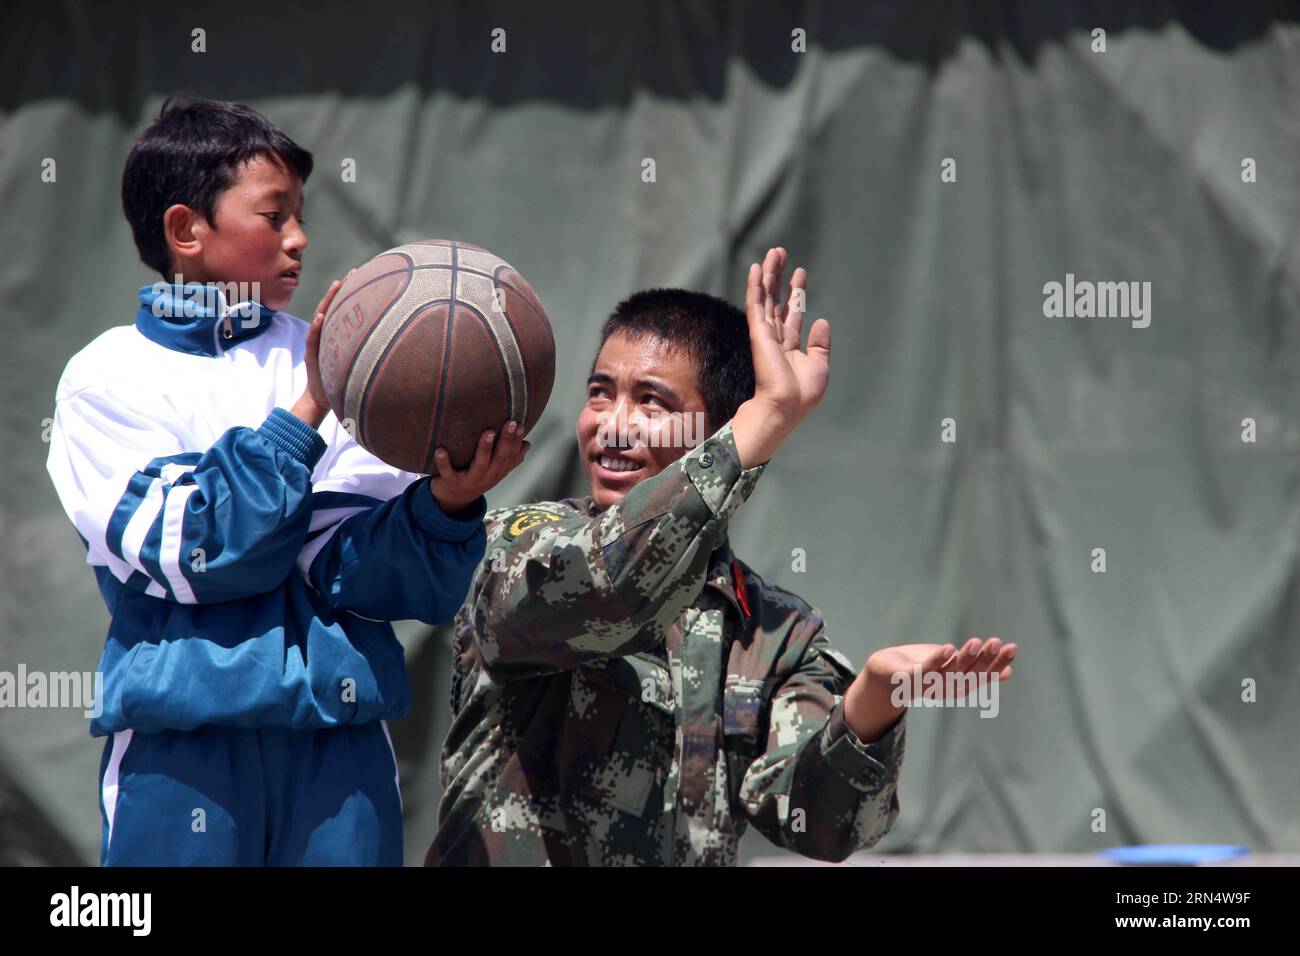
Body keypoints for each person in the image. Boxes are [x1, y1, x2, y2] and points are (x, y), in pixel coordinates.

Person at [44, 96, 524, 865]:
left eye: (302, 215)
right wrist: (305, 411)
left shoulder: (349, 363)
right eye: (274, 216)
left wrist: (447, 505)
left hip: (340, 748)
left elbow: (356, 574)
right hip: (182, 757)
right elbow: (208, 551)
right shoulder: (107, 377)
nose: (299, 239)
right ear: (184, 230)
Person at [427, 248, 1017, 866]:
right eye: (600, 394)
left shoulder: (772, 629)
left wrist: (875, 698)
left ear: (715, 433)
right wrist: (768, 417)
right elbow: (608, 585)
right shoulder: (518, 542)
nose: (614, 426)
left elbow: (820, 826)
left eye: (652, 403)